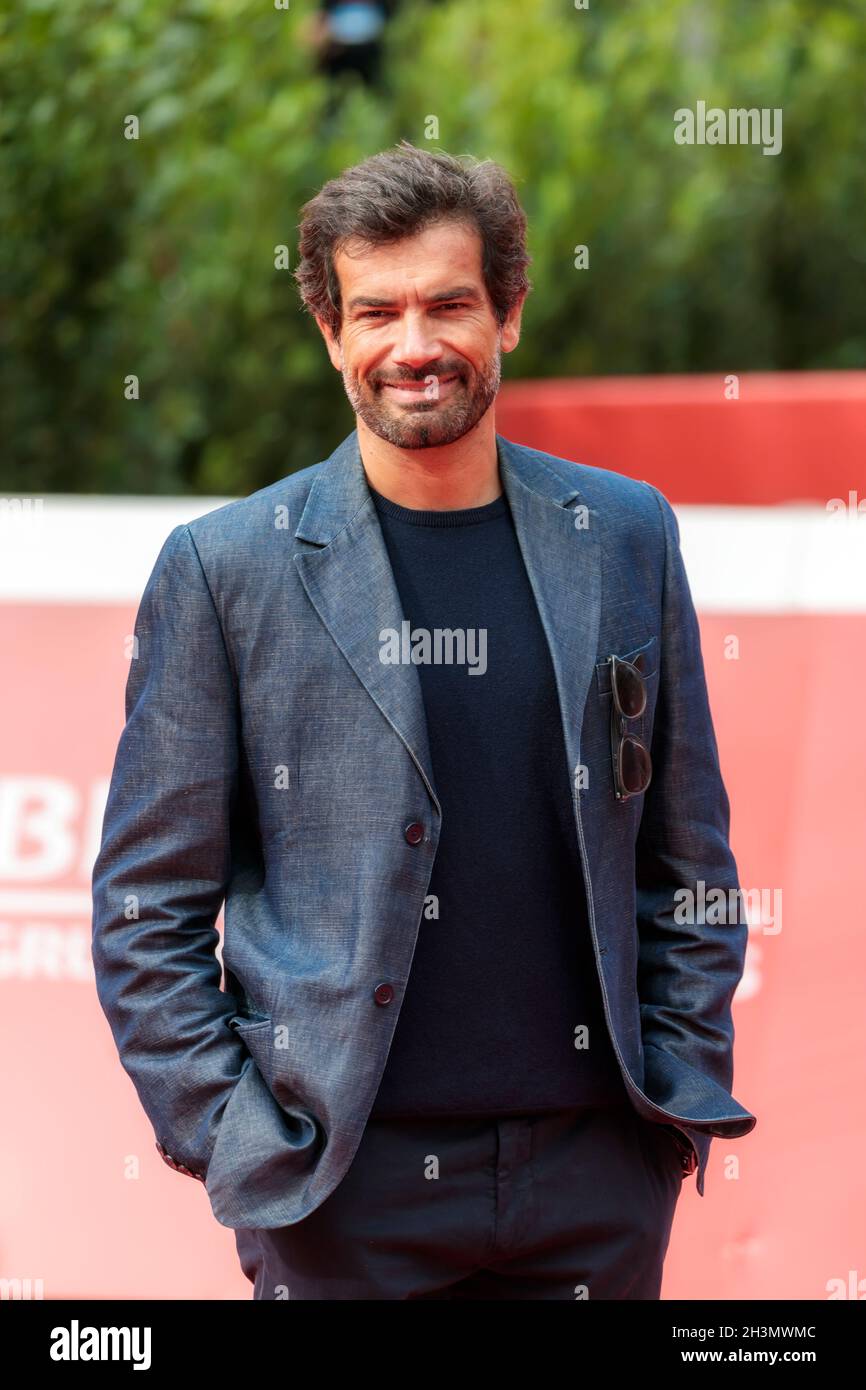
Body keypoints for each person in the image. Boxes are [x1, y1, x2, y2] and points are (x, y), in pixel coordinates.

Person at [91, 141, 757, 1300]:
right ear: (330, 333)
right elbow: (146, 908)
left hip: (593, 1185)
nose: (413, 346)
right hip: (343, 1192)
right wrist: (244, 1143)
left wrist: (670, 1103)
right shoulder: (226, 570)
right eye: (375, 311)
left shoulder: (626, 535)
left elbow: (686, 857)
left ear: (508, 313)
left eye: (448, 303)